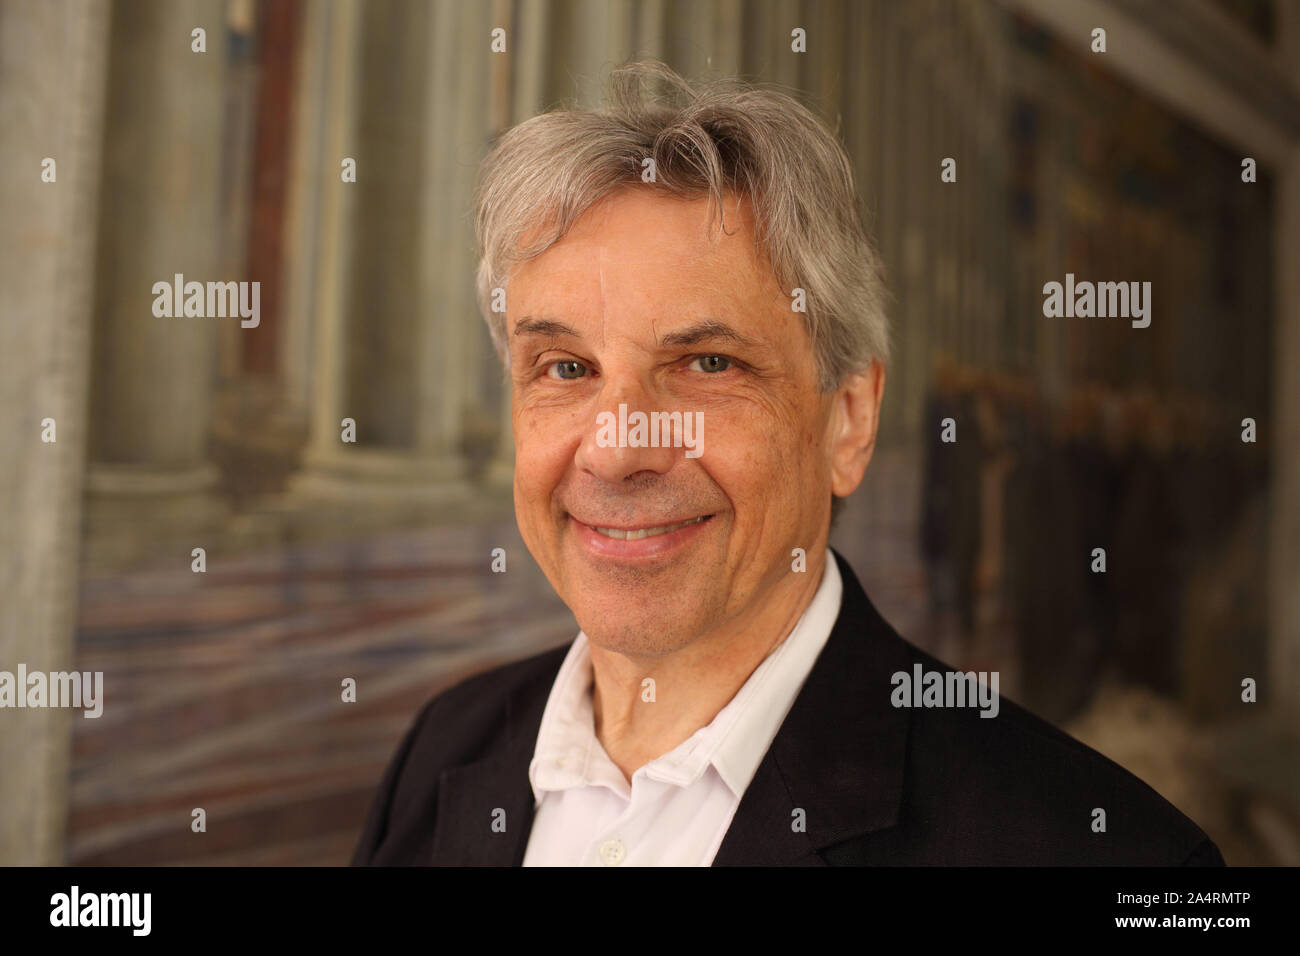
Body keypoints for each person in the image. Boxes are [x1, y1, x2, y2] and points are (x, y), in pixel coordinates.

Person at [352, 60, 1222, 866]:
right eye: (566, 369)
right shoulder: (440, 755)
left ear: (847, 420)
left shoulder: (1097, 854)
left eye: (708, 365)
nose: (617, 451)